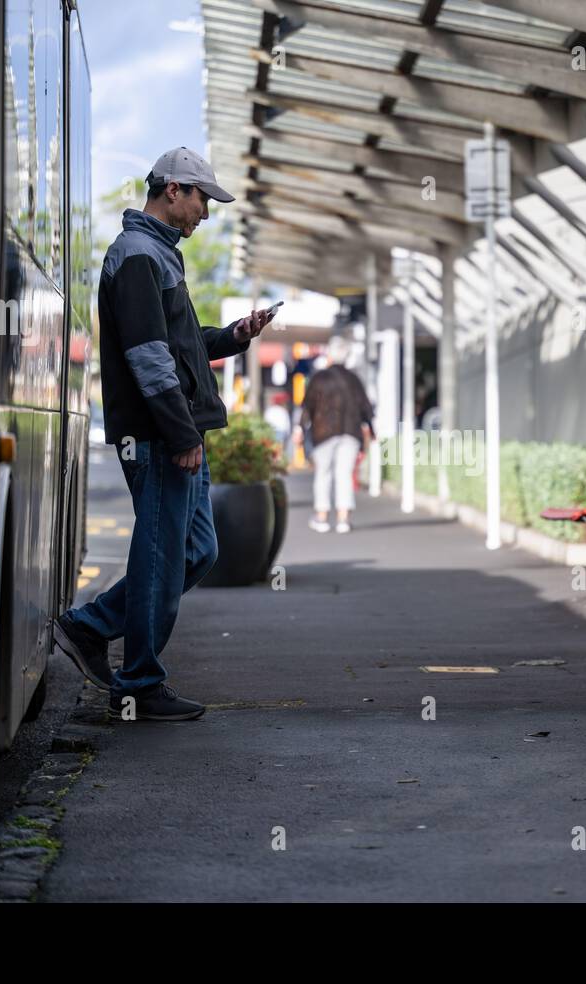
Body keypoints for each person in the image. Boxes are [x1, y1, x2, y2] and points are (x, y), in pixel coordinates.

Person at [51, 147, 275, 721]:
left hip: (172, 432)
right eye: (203, 199)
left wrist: (233, 336)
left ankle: (92, 625)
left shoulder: (157, 255)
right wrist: (180, 435)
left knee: (195, 551)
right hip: (157, 437)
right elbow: (150, 359)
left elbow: (177, 345)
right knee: (162, 556)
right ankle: (139, 684)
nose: (206, 212)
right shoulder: (136, 255)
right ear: (173, 189)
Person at [294, 337, 373, 534]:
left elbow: (308, 406)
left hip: (324, 433)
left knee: (323, 473)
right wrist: (371, 428)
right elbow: (365, 406)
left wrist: (300, 429)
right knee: (344, 474)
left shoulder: (319, 378)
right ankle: (343, 519)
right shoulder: (354, 379)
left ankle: (321, 518)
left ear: (330, 354)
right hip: (350, 432)